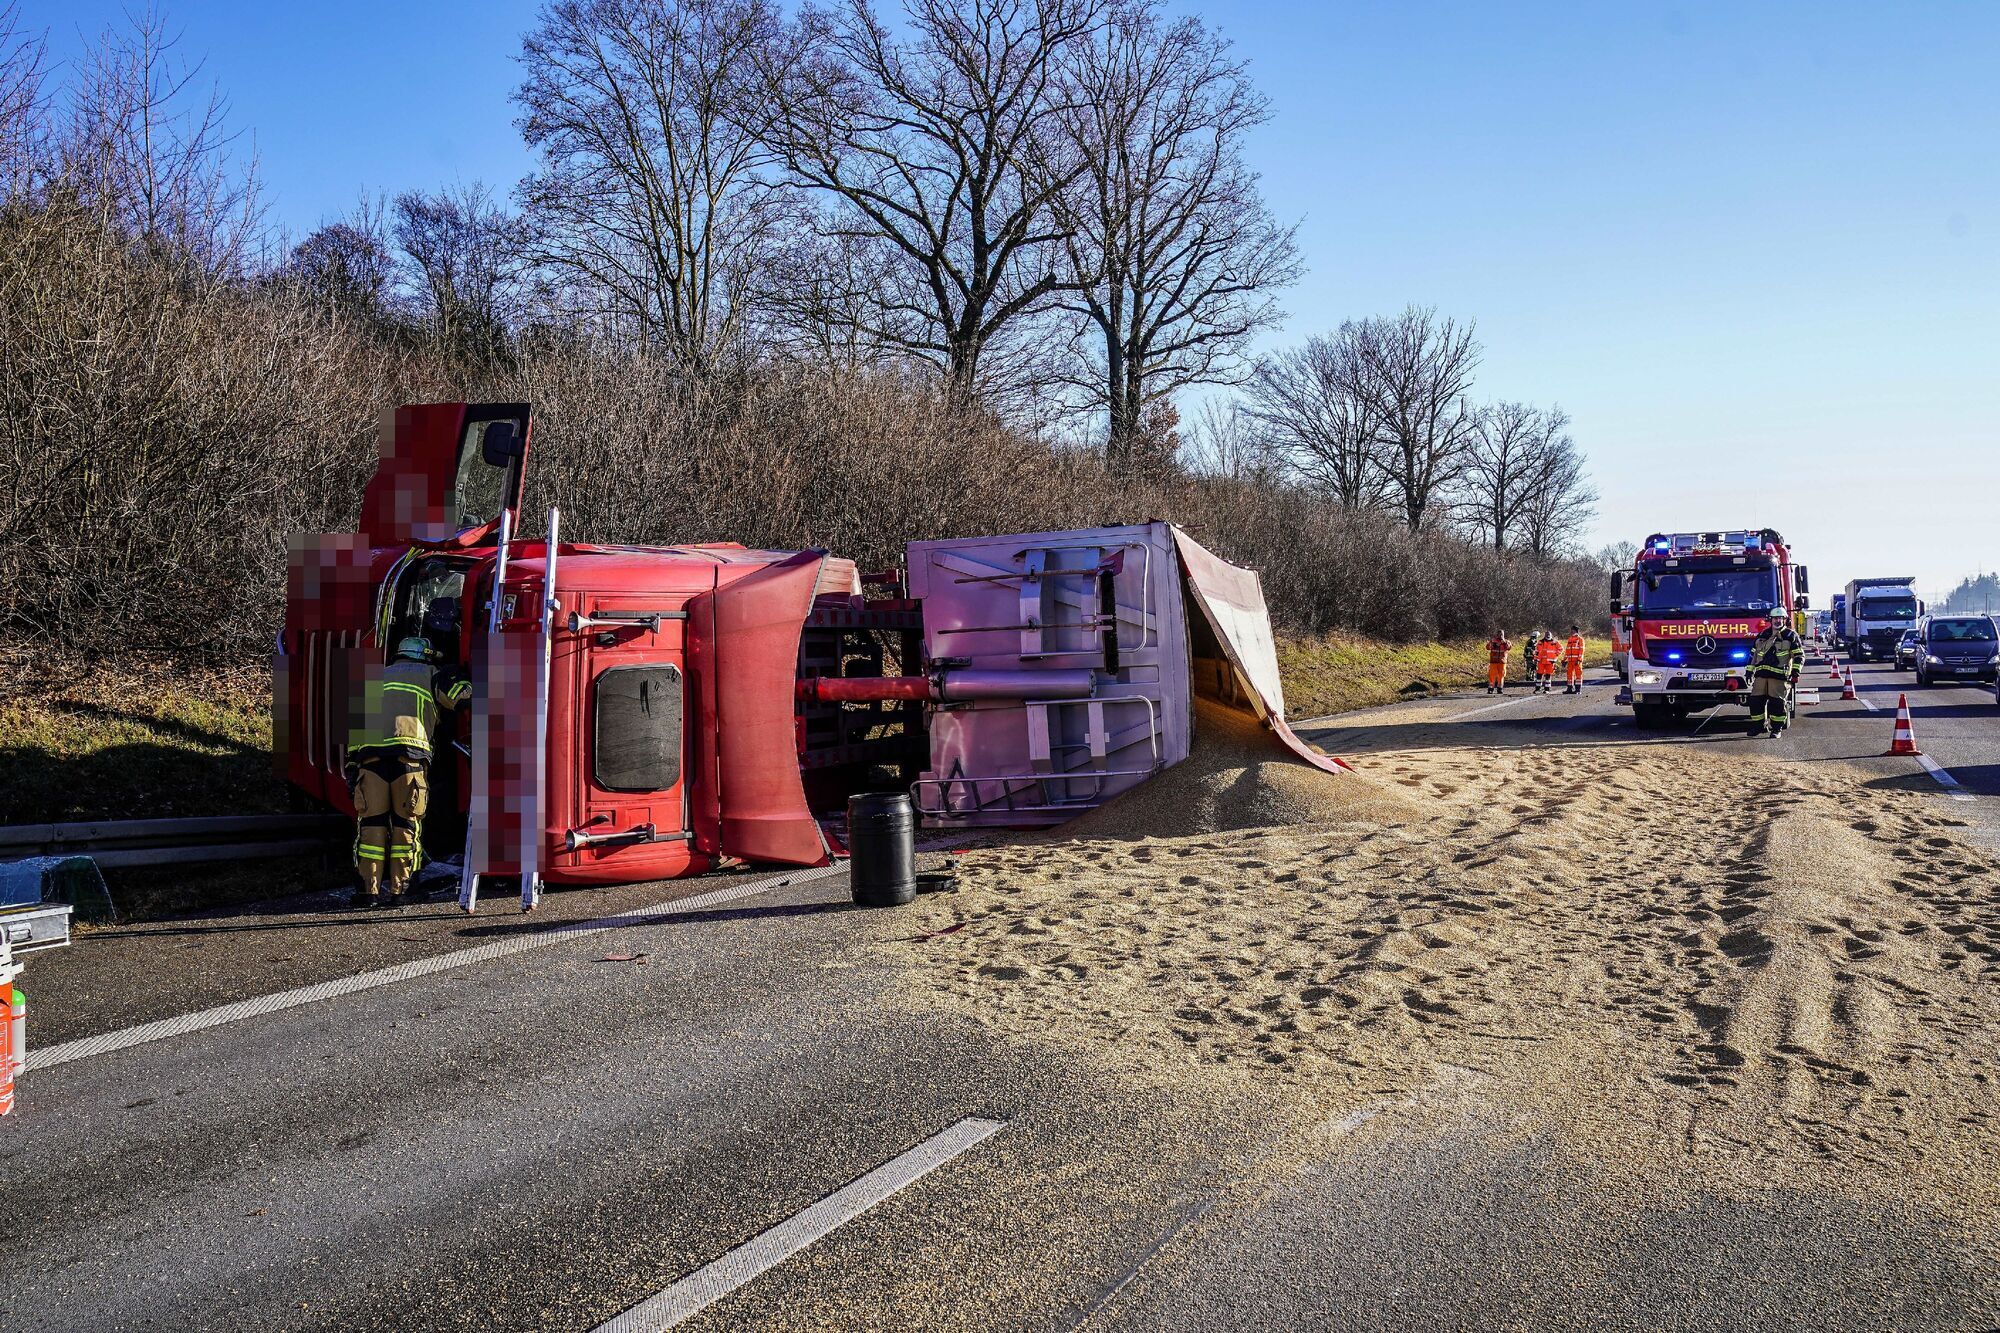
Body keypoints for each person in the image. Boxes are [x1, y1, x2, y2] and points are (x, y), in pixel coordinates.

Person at [344, 636, 470, 908]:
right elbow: (460, 697)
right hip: (408, 762)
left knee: (370, 828)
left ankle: (367, 892)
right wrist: (461, 674)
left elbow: (354, 731)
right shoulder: (432, 674)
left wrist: (352, 768)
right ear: (424, 656)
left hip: (369, 762)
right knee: (406, 825)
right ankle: (402, 890)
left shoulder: (372, 678)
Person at [1746, 616, 1804, 738]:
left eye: (1780, 619)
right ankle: (1758, 727)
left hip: (1779, 677)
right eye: (1775, 618)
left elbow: (1799, 655)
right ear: (1770, 620)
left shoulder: (1790, 635)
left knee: (1777, 704)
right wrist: (1749, 671)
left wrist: (1795, 671)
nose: (1777, 621)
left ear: (1784, 620)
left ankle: (1776, 729)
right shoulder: (1762, 635)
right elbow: (1753, 654)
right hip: (1761, 677)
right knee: (1755, 702)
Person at [1562, 625, 1587, 695]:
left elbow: (1582, 650)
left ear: (1576, 631)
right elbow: (1567, 651)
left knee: (1578, 675)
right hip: (1570, 661)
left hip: (1577, 661)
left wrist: (1579, 659)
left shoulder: (1580, 639)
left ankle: (1578, 690)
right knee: (1569, 675)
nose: (1571, 631)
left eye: (1573, 630)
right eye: (1571, 630)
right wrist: (1564, 660)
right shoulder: (1570, 639)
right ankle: (1569, 689)